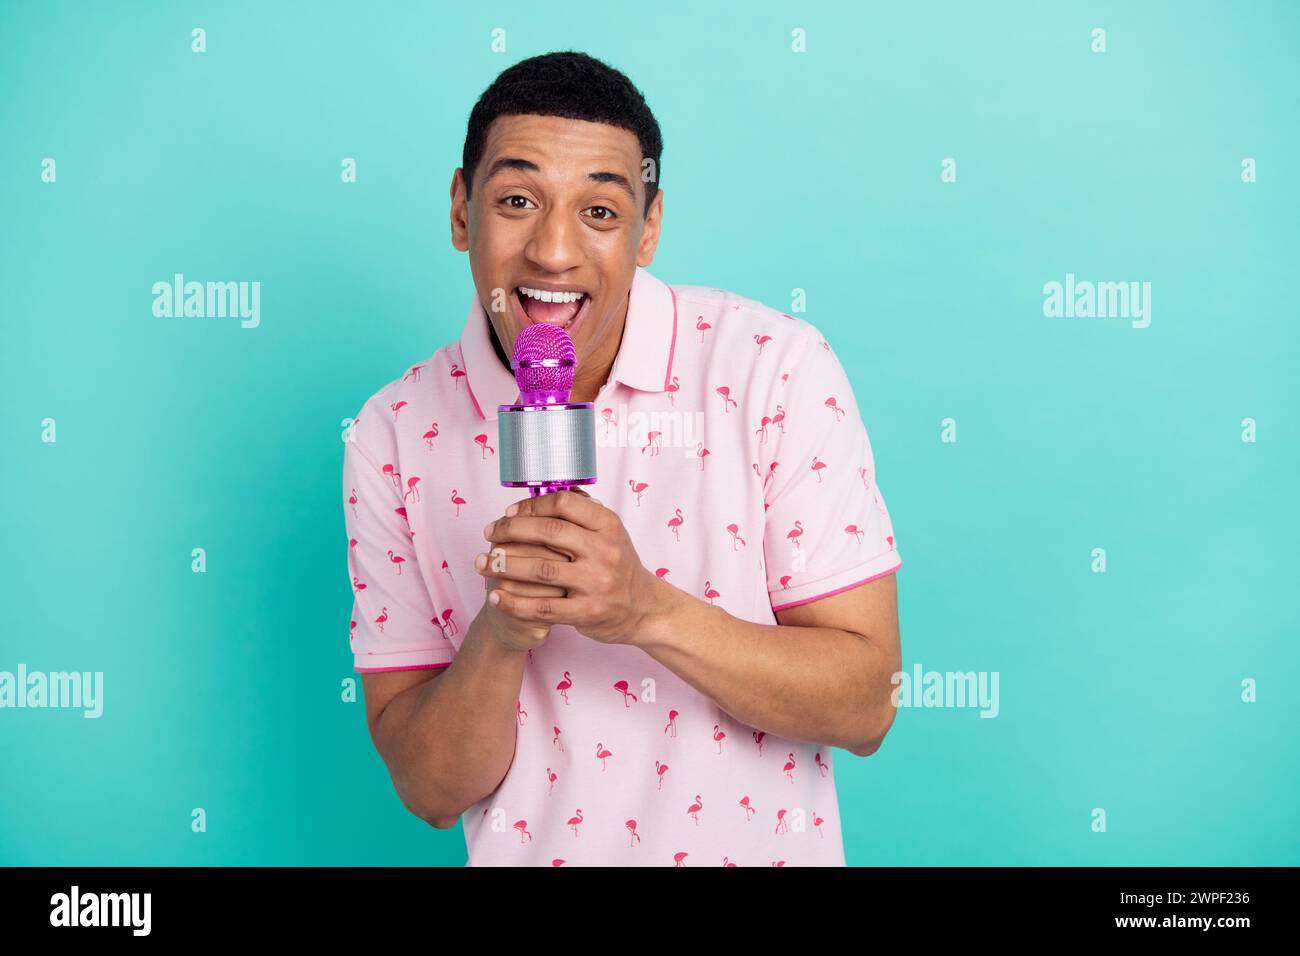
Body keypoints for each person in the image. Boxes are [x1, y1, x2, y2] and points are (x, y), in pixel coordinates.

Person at [343, 50, 903, 866]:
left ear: (650, 228)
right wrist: (502, 630)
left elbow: (867, 707)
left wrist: (645, 611)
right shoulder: (393, 432)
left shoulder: (771, 366)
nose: (554, 251)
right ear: (462, 210)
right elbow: (431, 793)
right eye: (517, 200)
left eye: (600, 212)